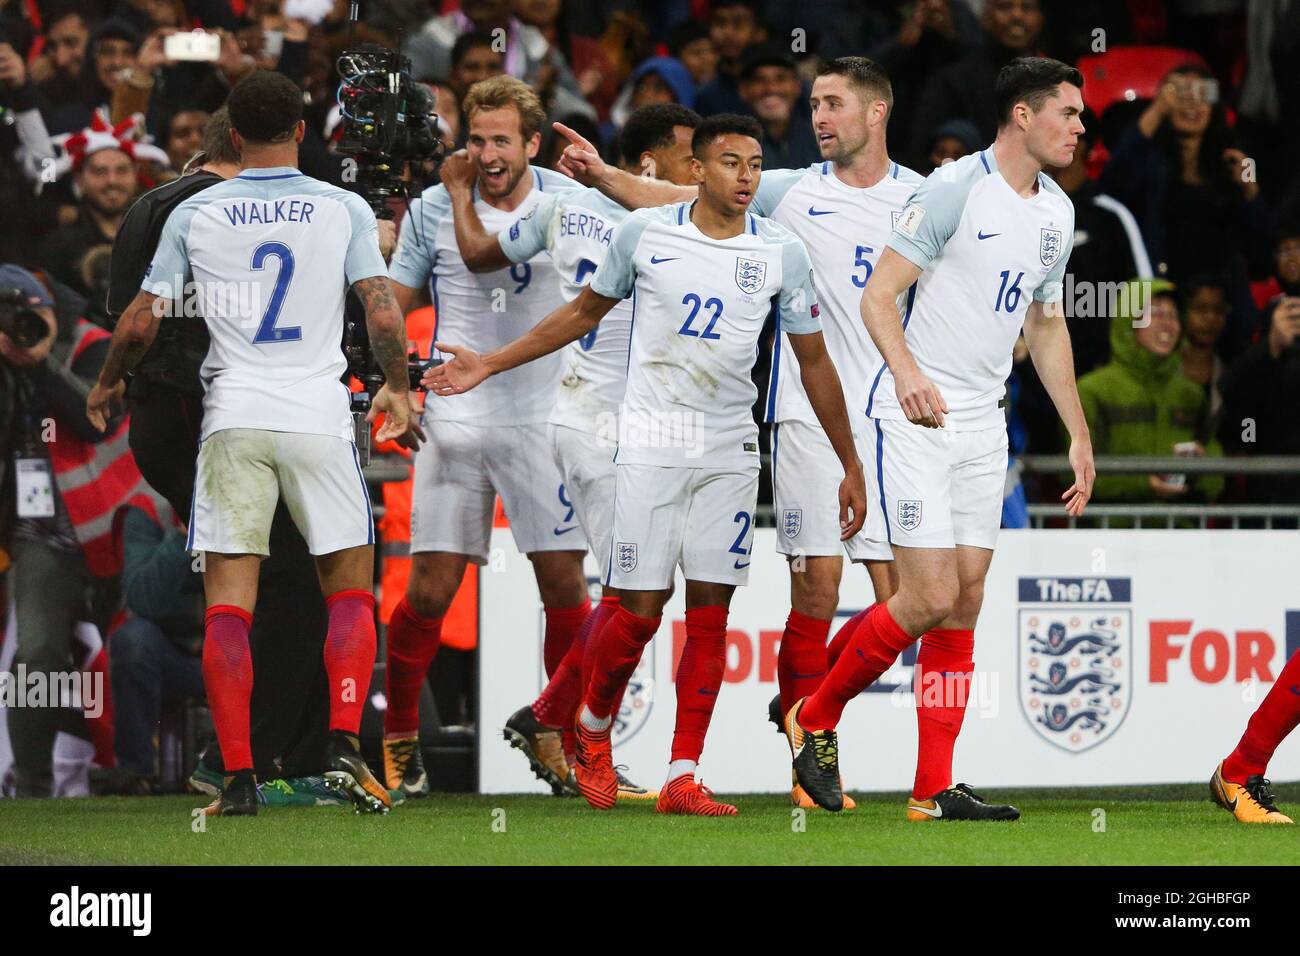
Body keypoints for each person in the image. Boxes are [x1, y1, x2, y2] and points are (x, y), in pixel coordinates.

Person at [428, 113, 867, 818]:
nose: (745, 178)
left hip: (728, 448)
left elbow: (813, 359)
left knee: (711, 614)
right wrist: (491, 362)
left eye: (754, 164)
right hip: (651, 442)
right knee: (634, 609)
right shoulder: (645, 235)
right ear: (696, 170)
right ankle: (591, 727)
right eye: (730, 163)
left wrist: (849, 461)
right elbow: (579, 313)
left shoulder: (781, 252)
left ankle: (683, 773)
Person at [549, 57, 919, 811]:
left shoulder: (922, 197)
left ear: (876, 112)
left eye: (833, 103)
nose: (818, 117)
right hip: (777, 424)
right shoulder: (789, 191)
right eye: (813, 103)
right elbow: (681, 195)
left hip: (887, 421)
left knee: (916, 600)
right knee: (779, 593)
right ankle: (804, 758)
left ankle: (770, 731)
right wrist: (600, 177)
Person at [86, 70, 415, 817]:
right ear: (303, 130)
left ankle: (236, 779)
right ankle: (340, 744)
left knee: (230, 607)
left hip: (231, 416)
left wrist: (108, 384)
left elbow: (139, 319)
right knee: (347, 591)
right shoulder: (343, 207)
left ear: (232, 135)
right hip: (319, 419)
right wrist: (395, 388)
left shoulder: (194, 211)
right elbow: (382, 309)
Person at [788, 57, 1095, 819]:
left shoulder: (1056, 213)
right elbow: (879, 295)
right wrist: (906, 375)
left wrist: (1078, 432)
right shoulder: (955, 188)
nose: (1081, 128)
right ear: (1022, 116)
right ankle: (815, 715)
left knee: (964, 605)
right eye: (1069, 113)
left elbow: (1046, 323)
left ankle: (931, 788)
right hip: (918, 420)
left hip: (985, 425)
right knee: (926, 598)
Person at [442, 103, 701, 800]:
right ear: (650, 164)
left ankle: (552, 715)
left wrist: (462, 195)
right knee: (636, 597)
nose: (702, 172)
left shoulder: (560, 208)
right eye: (690, 158)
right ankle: (572, 734)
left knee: (636, 593)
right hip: (609, 425)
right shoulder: (670, 224)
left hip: (587, 416)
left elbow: (478, 253)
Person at [104, 108, 354, 791]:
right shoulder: (264, 208)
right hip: (216, 409)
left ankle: (267, 758)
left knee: (261, 577)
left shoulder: (149, 207)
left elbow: (124, 319)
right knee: (297, 578)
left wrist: (107, 385)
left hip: (166, 417)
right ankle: (255, 758)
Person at [381, 75, 589, 799]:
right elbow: (397, 301)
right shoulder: (432, 208)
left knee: (564, 584)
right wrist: (393, 379)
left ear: (534, 143)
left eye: (502, 140)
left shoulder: (565, 205)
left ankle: (560, 735)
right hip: (457, 411)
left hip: (542, 412)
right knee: (432, 590)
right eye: (476, 138)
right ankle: (400, 737)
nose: (487, 153)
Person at [0, 264, 163, 797]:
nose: (25, 325)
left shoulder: (93, 346)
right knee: (38, 655)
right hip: (43, 535)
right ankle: (31, 785)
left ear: (49, 304)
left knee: (136, 644)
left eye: (32, 312)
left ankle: (137, 771)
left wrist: (41, 362)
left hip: (121, 524)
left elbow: (95, 421)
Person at [1075, 279, 1222, 507]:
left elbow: (1218, 476)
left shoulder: (1191, 393)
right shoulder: (1091, 390)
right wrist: (1145, 484)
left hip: (1181, 531)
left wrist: (1201, 469)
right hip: (1110, 531)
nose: (1167, 324)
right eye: (1153, 313)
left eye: (1173, 315)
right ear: (1127, 322)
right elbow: (1070, 473)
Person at [736, 42, 819, 171]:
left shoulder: (821, 138)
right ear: (743, 89)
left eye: (781, 79)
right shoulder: (729, 144)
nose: (771, 88)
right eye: (759, 80)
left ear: (797, 86)